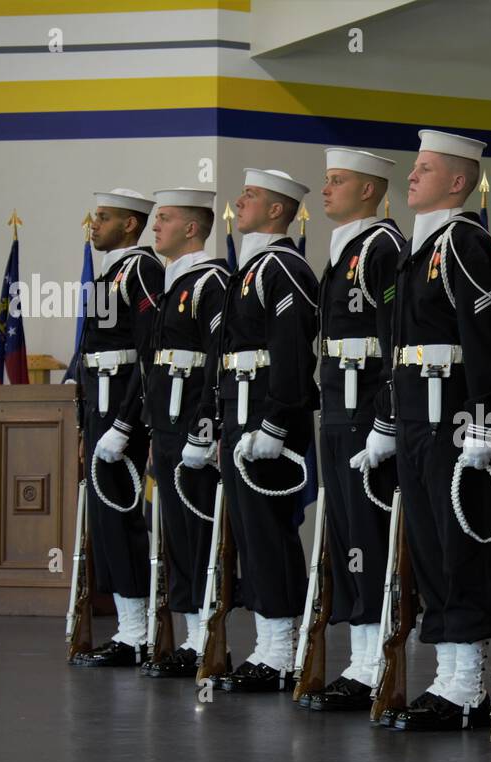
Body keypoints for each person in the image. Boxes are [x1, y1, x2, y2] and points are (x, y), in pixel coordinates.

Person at [368, 129, 491, 731]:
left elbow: (486, 343)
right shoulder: (415, 248)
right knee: (429, 545)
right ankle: (449, 674)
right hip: (414, 415)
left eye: (425, 169)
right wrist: (386, 422)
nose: (411, 176)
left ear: (458, 182)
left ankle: (471, 682)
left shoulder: (466, 244)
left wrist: (487, 419)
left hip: (454, 418)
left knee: (463, 546)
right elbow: (395, 347)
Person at [187, 168, 319, 692]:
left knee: (268, 532)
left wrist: (274, 423)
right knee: (247, 531)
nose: (239, 201)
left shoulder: (283, 268)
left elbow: (290, 355)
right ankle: (267, 642)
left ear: (277, 210)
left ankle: (282, 648)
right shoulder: (249, 269)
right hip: (239, 412)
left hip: (266, 417)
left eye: (252, 196)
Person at [306, 147, 404, 710]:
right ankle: (359, 656)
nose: (326, 190)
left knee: (368, 535)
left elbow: (392, 339)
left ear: (369, 189)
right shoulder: (345, 251)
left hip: (368, 406)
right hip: (338, 405)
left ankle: (375, 662)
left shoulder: (383, 247)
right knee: (344, 535)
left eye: (337, 181)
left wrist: (385, 417)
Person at [72, 188, 163, 667]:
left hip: (121, 410)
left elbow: (149, 355)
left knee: (123, 518)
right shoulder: (110, 271)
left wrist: (126, 424)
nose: (94, 224)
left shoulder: (143, 269)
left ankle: (140, 631)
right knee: (106, 521)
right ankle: (129, 628)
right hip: (99, 406)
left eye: (104, 217)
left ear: (131, 224)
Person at [140, 187, 229, 678]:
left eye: (166, 219)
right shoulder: (174, 283)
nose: (157, 226)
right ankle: (191, 629)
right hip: (168, 425)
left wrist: (204, 428)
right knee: (175, 528)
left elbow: (215, 362)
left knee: (197, 529)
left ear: (192, 228)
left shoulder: (210, 282)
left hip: (193, 426)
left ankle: (205, 636)